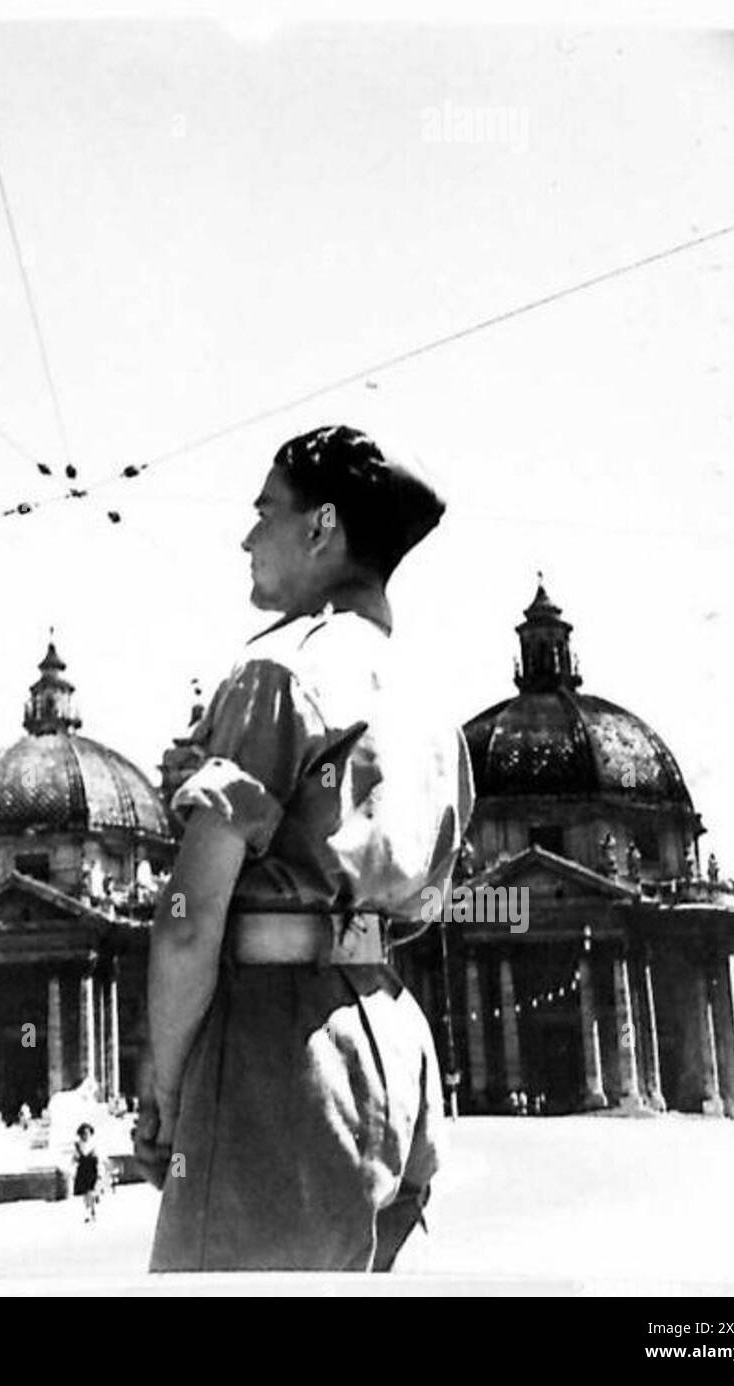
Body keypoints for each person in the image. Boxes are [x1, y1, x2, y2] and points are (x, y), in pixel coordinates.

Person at [134, 424, 473, 1272]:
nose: (248, 537)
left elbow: (187, 922)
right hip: (394, 1040)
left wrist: (169, 1091)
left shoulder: (277, 675)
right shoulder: (435, 713)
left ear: (321, 527)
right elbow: (425, 909)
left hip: (278, 1055)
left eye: (265, 513)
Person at [73, 1122, 105, 1223]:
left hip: (93, 1170)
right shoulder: (78, 1145)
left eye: (87, 1133)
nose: (85, 1135)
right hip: (83, 1170)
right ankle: (89, 1211)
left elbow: (100, 1159)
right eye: (83, 1133)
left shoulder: (94, 1145)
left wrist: (101, 1172)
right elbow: (74, 1159)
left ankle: (92, 1210)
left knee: (91, 1192)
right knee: (85, 1193)